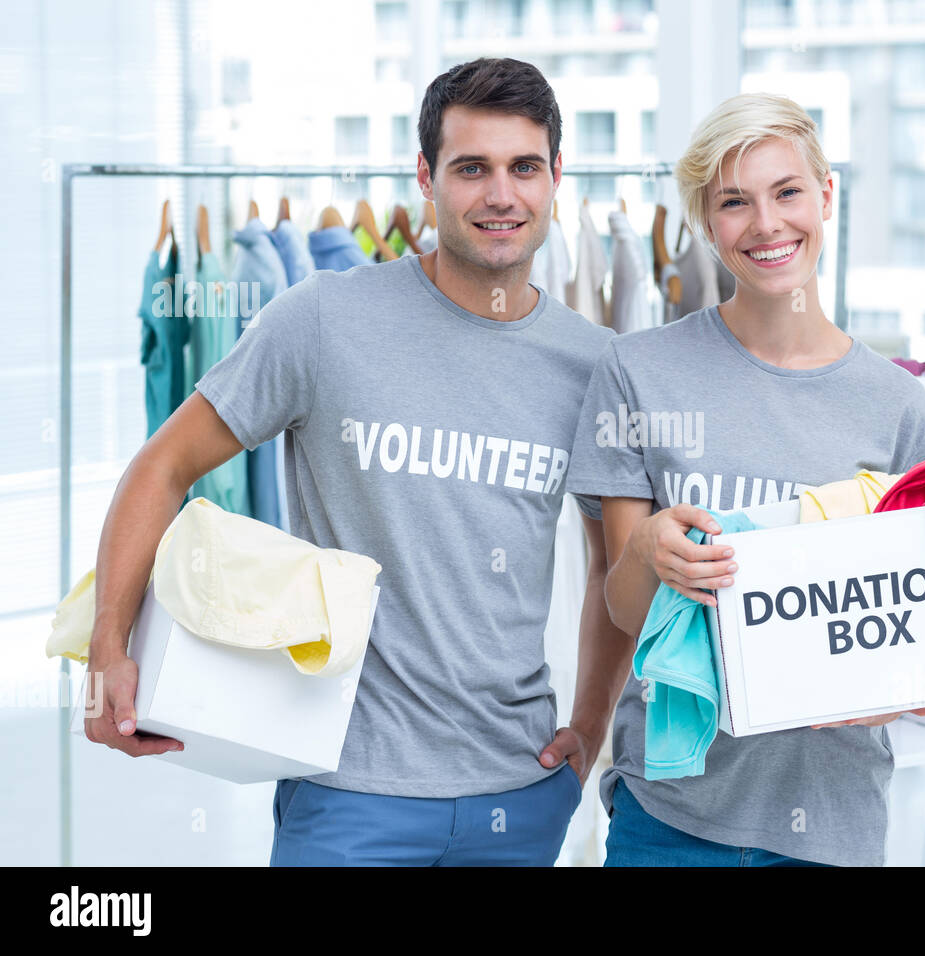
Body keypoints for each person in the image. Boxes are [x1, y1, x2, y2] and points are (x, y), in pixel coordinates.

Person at [82, 57, 629, 866]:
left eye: (524, 168)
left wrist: (590, 726)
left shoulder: (598, 367)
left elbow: (611, 567)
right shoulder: (323, 320)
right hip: (346, 790)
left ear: (556, 179)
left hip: (520, 792)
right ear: (426, 177)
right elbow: (162, 466)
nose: (501, 195)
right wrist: (108, 645)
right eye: (471, 168)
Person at [565, 92, 925, 866]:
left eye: (787, 191)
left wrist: (898, 686)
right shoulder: (638, 373)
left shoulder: (898, 405)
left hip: (832, 820)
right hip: (671, 819)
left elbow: (924, 635)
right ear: (708, 225)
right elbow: (623, 606)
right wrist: (648, 557)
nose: (767, 224)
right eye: (735, 202)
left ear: (827, 194)